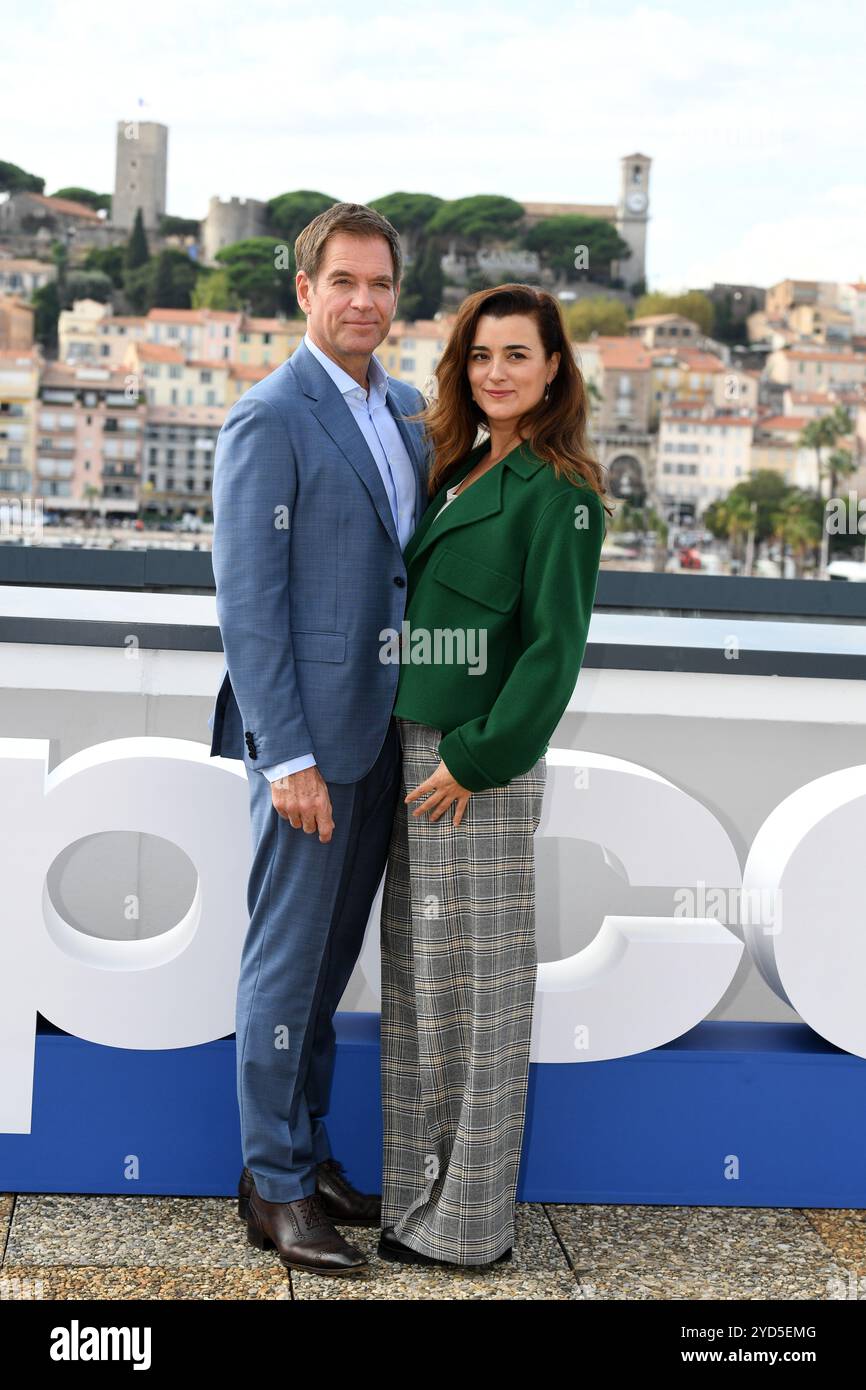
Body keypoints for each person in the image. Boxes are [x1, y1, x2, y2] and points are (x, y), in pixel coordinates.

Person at [208, 203, 430, 1276]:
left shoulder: (407, 413)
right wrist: (283, 754)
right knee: (285, 968)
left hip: (382, 738)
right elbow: (248, 605)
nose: (363, 302)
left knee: (329, 970)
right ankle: (275, 1189)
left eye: (380, 284)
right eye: (343, 281)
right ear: (303, 291)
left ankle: (303, 1151)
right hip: (307, 749)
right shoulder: (271, 415)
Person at [377, 283, 611, 1268]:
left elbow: (551, 656)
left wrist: (473, 760)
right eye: (479, 356)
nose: (496, 373)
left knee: (479, 996)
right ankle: (412, 1201)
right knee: (422, 989)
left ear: (553, 367)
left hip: (473, 762)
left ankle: (467, 1227)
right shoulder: (460, 468)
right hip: (412, 746)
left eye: (516, 355)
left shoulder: (560, 496)